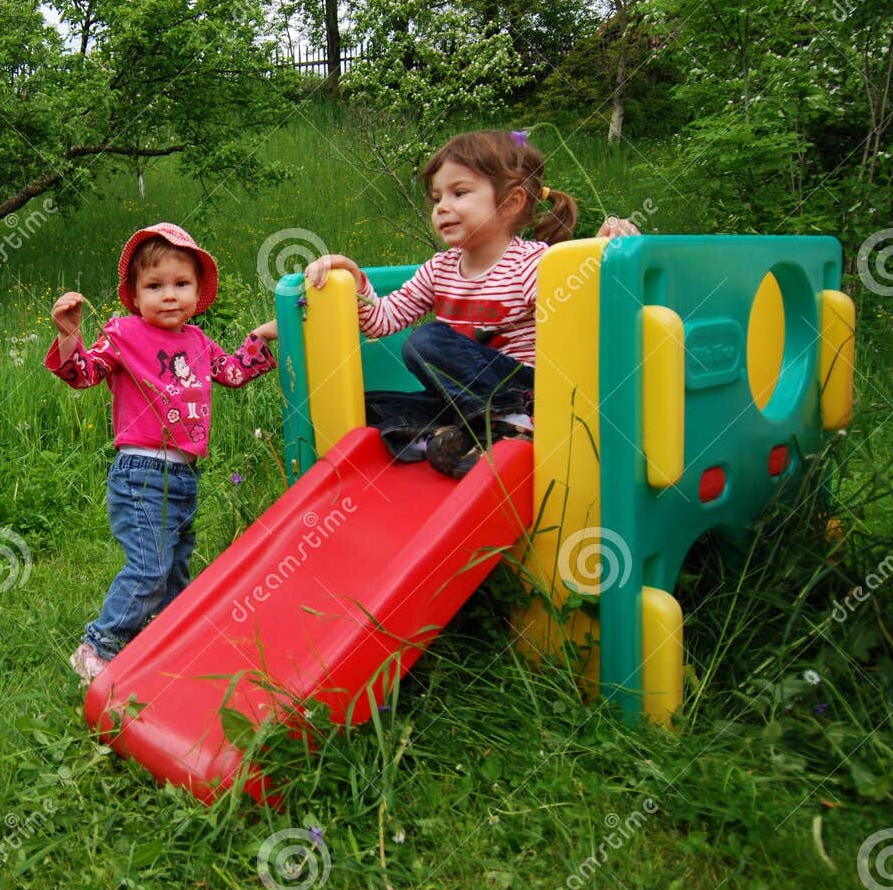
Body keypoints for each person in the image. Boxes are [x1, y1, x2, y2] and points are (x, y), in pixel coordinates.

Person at [305, 129, 637, 478]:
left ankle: (514, 423)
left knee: (426, 341)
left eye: (459, 192)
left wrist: (603, 253)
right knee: (366, 407)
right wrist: (356, 281)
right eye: (436, 198)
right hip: (464, 402)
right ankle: (453, 437)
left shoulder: (533, 265)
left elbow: (583, 311)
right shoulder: (439, 269)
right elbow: (381, 321)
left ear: (511, 202)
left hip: (526, 393)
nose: (442, 207)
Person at [47, 223, 279, 683]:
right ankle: (98, 645)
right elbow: (84, 374)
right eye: (155, 286)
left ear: (197, 291)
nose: (169, 295)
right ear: (135, 294)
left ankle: (176, 639)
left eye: (181, 284)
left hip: (184, 476)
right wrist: (70, 335)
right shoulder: (123, 333)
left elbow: (232, 373)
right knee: (150, 566)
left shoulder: (197, 341)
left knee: (174, 568)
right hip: (141, 471)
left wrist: (264, 336)